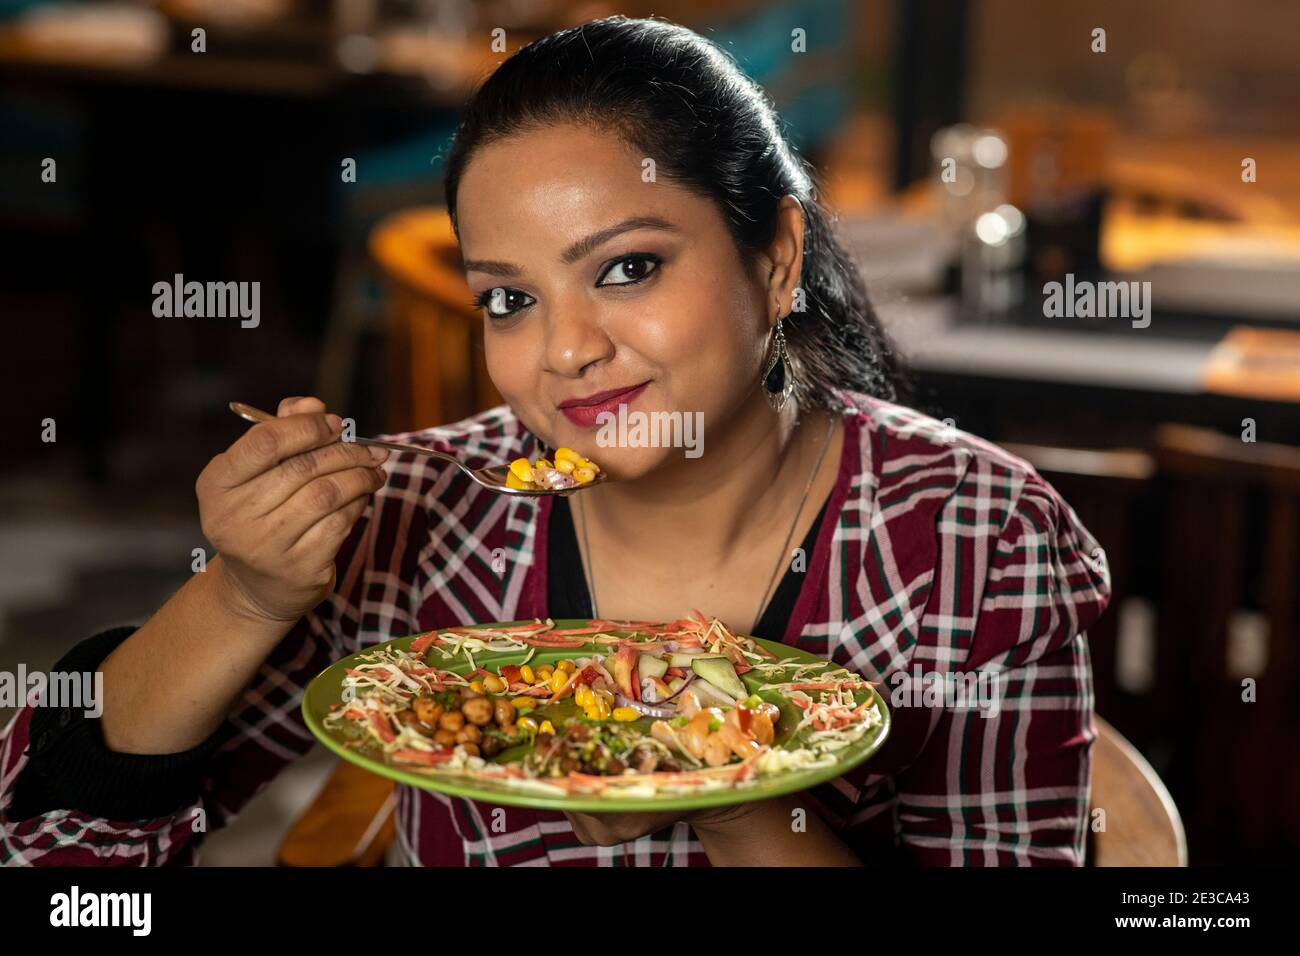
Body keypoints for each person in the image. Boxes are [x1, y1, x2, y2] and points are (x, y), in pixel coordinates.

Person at [0, 16, 1109, 866]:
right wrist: (242, 595)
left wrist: (720, 788)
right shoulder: (423, 515)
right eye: (508, 299)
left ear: (774, 258)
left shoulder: (973, 535)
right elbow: (57, 849)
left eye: (627, 268)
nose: (566, 350)